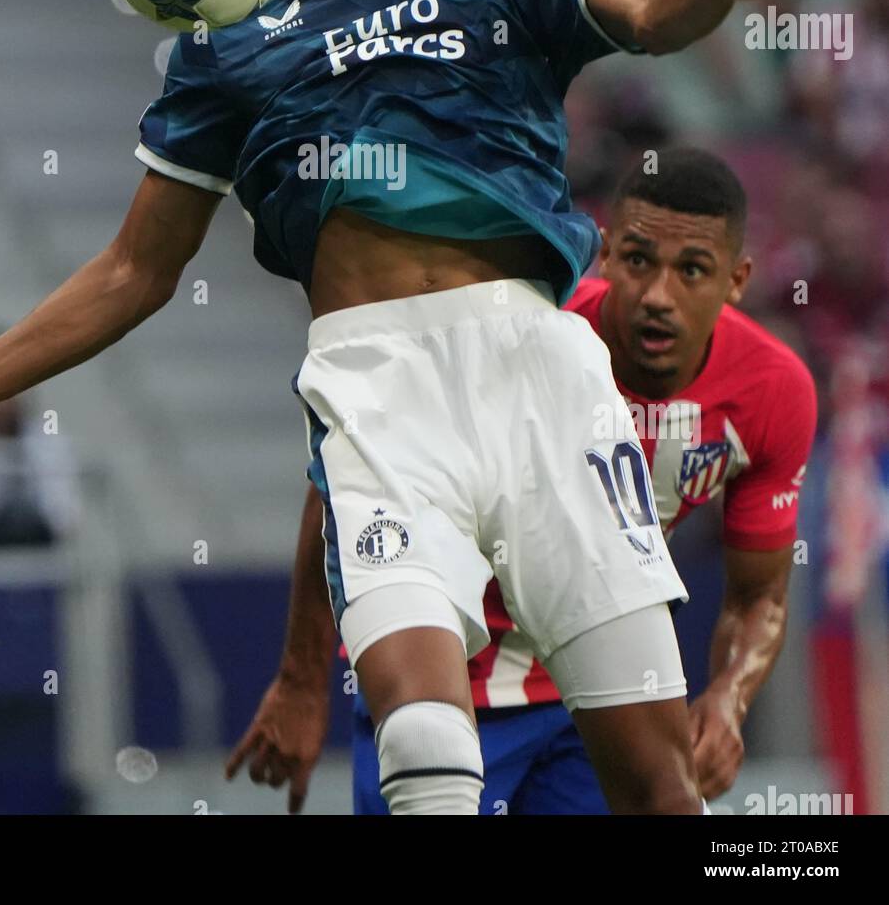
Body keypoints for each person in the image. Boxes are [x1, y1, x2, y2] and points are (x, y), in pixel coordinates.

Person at [0, 0, 782, 816]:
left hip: (539, 369)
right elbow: (134, 270)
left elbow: (651, 12)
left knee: (654, 784)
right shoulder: (232, 32)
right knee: (425, 743)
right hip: (374, 389)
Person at [228, 149, 817, 813]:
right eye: (637, 260)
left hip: (605, 697)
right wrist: (303, 681)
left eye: (692, 271)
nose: (658, 296)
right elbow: (349, 484)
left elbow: (759, 596)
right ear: (604, 253)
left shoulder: (772, 392)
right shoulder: (529, 336)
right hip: (456, 692)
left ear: (736, 279)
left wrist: (729, 698)